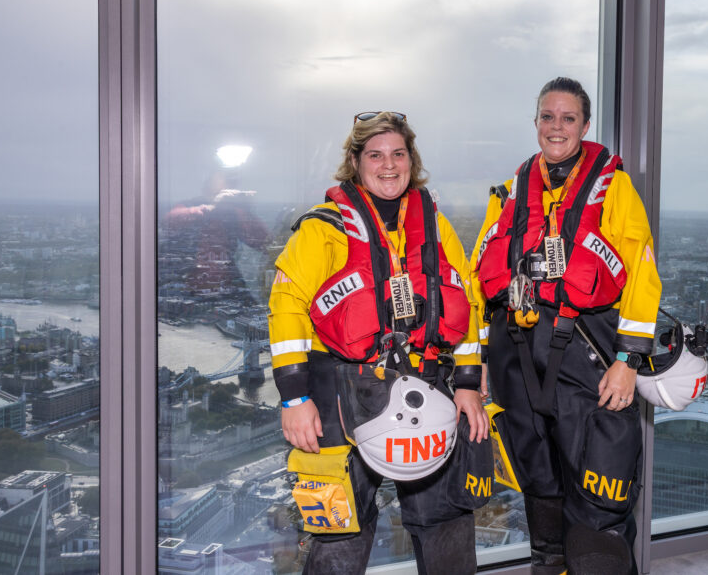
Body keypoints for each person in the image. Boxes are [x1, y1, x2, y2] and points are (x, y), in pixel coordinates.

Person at [268, 112, 490, 575]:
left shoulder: (436, 227)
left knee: (445, 523)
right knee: (339, 534)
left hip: (427, 386)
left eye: (398, 154)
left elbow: (466, 301)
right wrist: (295, 398)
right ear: (355, 161)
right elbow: (286, 305)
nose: (388, 165)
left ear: (411, 160)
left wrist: (468, 382)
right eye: (375, 155)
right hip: (341, 394)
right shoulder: (322, 228)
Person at [472, 78, 661, 575]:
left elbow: (642, 274)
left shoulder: (612, 187)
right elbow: (480, 277)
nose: (556, 127)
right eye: (547, 117)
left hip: (587, 358)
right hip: (518, 359)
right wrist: (479, 363)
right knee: (540, 486)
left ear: (585, 125)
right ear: (536, 122)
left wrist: (627, 361)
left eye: (568, 118)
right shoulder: (512, 191)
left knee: (599, 497)